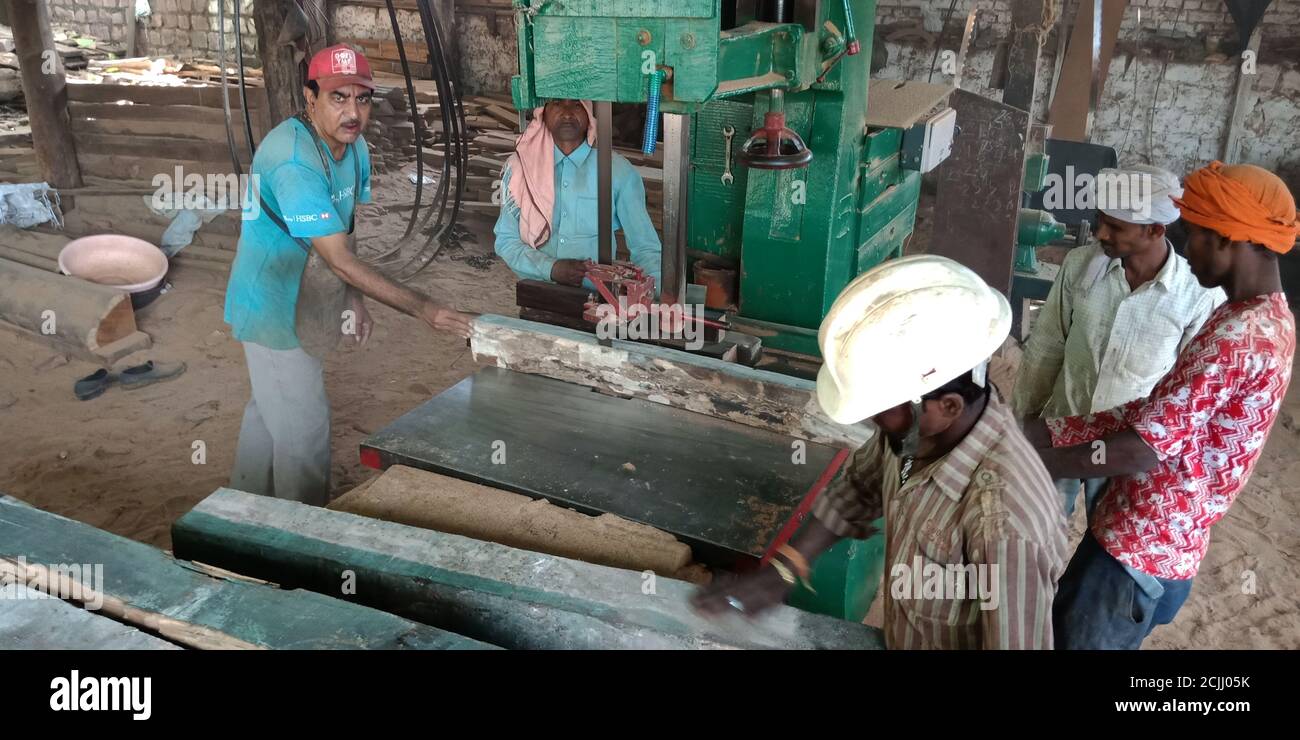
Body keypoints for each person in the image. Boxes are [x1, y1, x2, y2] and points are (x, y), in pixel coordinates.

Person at [694, 255, 1068, 649]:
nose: (872, 420)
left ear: (948, 406)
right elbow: (859, 487)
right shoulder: (918, 431)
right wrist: (783, 571)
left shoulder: (1006, 523)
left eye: (880, 409)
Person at [1025, 162, 1298, 649]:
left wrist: (1029, 459)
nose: (1185, 246)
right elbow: (1153, 412)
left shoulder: (1238, 335)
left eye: (1193, 234)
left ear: (1227, 239)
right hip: (1141, 535)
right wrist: (1044, 433)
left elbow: (1142, 447)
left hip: (1140, 551)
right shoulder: (1257, 317)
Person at [224, 44, 472, 506]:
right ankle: (302, 529)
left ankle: (240, 510)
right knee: (304, 429)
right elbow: (339, 260)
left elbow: (347, 226)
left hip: (307, 291)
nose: (353, 112)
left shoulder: (353, 148)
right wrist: (425, 309)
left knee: (271, 408)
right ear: (310, 98)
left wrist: (352, 299)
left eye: (362, 99)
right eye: (338, 98)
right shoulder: (294, 161)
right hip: (272, 302)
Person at [1012, 165, 1224, 521]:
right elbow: (1047, 346)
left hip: (1125, 447)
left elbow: (1187, 391)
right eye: (1100, 220)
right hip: (1062, 425)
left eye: (1115, 227)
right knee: (1037, 524)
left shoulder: (1197, 296)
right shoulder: (1080, 265)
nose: (1101, 233)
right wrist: (1024, 419)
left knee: (1109, 535)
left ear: (1154, 230)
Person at [493, 98, 662, 292]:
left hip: (599, 298)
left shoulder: (618, 171)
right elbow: (506, 241)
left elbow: (645, 248)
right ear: (543, 112)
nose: (567, 113)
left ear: (589, 113)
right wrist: (551, 268)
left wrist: (655, 294)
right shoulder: (520, 168)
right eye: (557, 103)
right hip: (536, 294)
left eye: (577, 104)